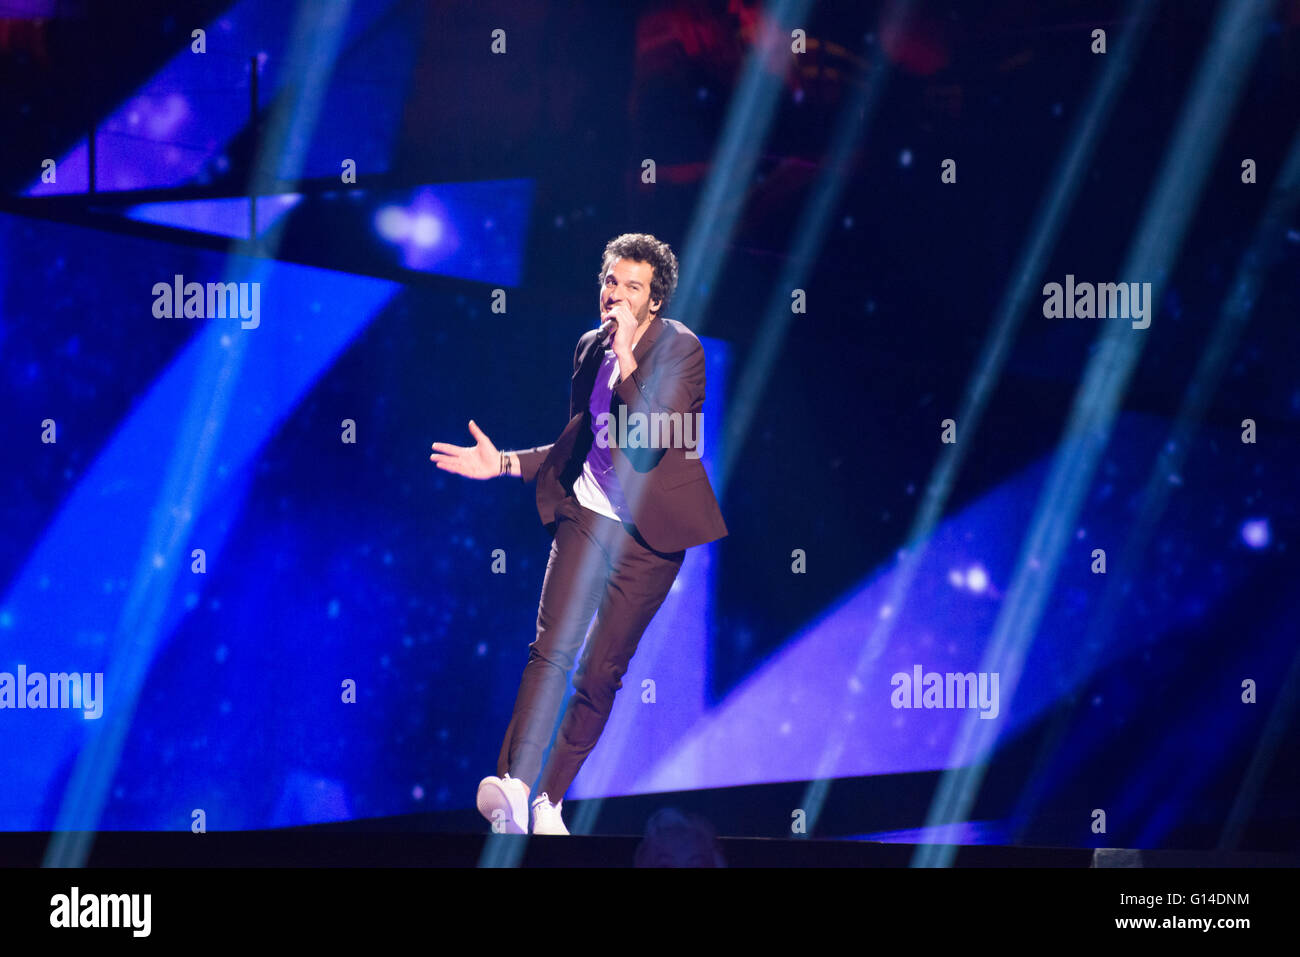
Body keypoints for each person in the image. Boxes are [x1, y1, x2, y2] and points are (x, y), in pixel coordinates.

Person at [430, 232, 727, 835]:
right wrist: (505, 462)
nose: (615, 295)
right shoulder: (590, 349)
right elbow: (581, 443)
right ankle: (516, 786)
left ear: (654, 302)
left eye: (632, 287)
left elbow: (648, 442)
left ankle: (550, 800)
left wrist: (629, 359)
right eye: (611, 281)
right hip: (588, 514)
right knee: (552, 648)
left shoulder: (681, 351)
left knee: (599, 673)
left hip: (649, 541)